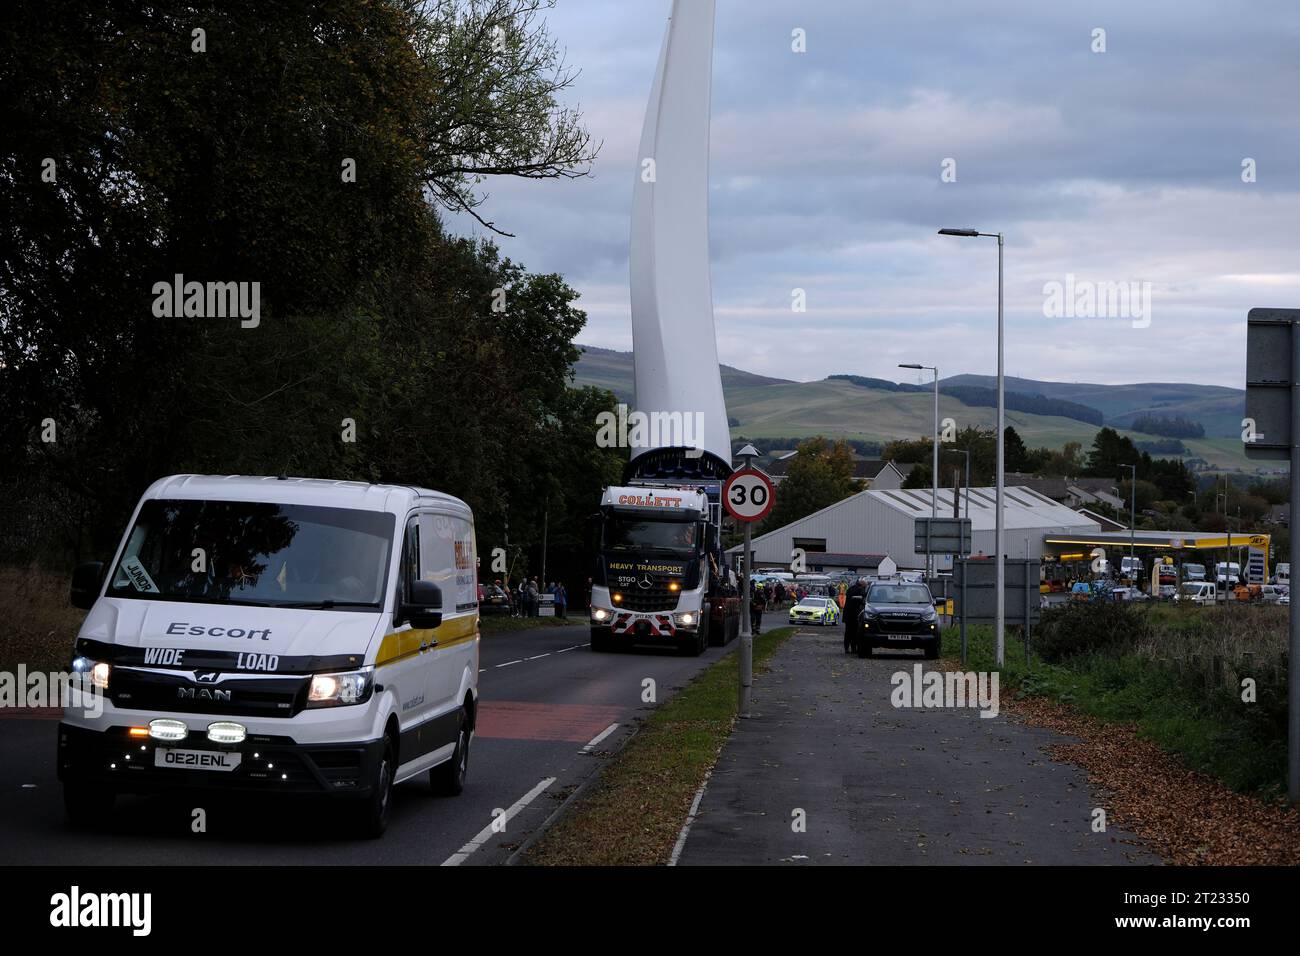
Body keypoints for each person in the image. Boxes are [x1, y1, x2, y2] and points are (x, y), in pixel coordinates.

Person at [843, 576, 867, 654]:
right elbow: (862, 600)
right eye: (865, 585)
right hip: (854, 615)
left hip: (848, 614)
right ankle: (853, 649)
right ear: (862, 584)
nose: (866, 586)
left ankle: (847, 648)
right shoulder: (859, 590)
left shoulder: (851, 588)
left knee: (848, 632)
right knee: (854, 632)